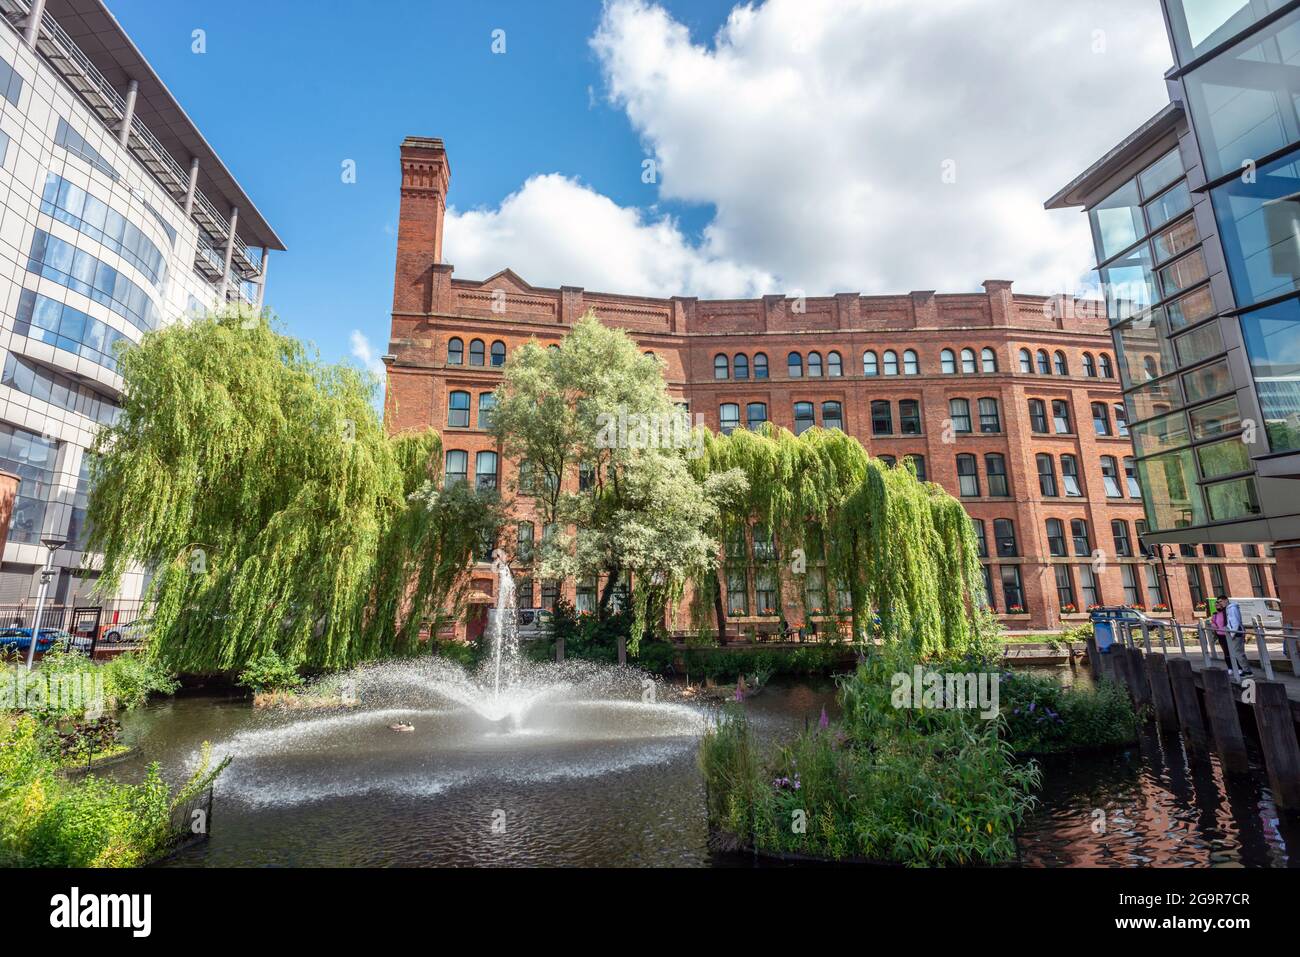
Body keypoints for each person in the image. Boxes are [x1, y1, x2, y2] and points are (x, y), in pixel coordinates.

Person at [1223, 593, 1252, 677]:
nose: (1220, 603)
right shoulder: (1229, 608)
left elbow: (1235, 622)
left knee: (1238, 652)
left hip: (1237, 633)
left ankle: (1247, 671)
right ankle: (1246, 670)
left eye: (1221, 601)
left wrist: (1232, 634)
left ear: (1226, 600)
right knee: (1237, 652)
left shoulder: (1232, 609)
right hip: (1236, 632)